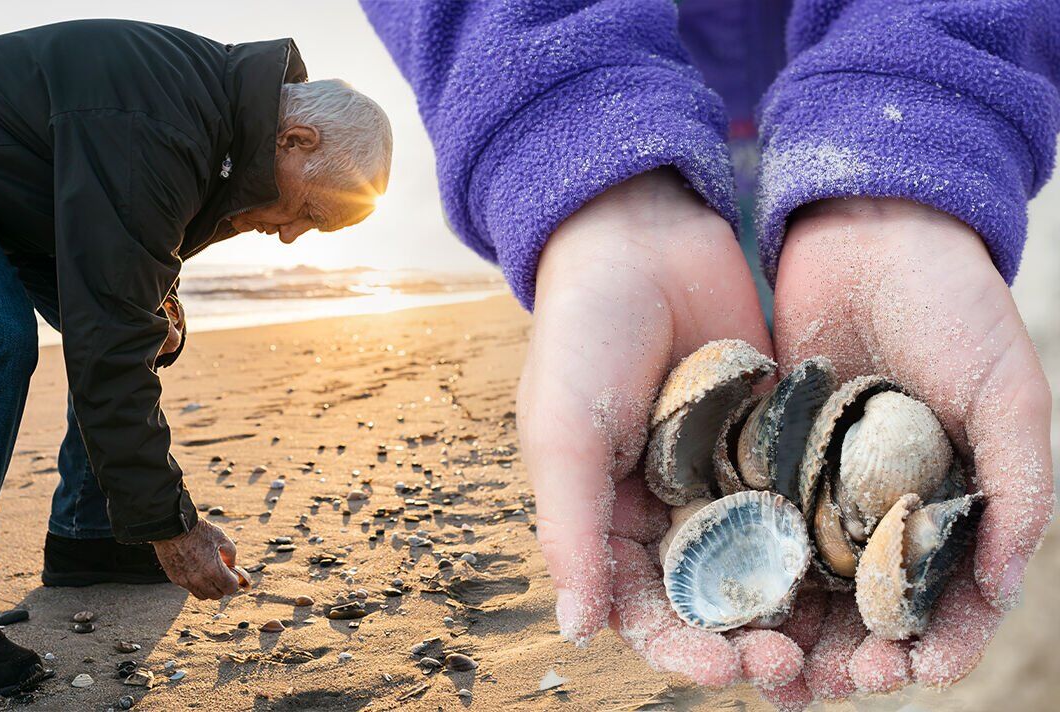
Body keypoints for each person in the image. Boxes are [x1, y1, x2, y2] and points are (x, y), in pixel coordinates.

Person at [360, 0, 1057, 707]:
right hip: (647, 116)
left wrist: (909, 140)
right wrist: (583, 155)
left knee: (804, 322)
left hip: (863, 120)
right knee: (737, 326)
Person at [0, 19, 392, 696]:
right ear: (296, 140)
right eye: (310, 213)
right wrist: (172, 526)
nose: (290, 236)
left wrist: (158, 305)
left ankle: (91, 535)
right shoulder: (161, 126)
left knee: (148, 333)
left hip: (20, 181)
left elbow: (133, 267)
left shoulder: (230, 134)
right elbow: (107, 336)